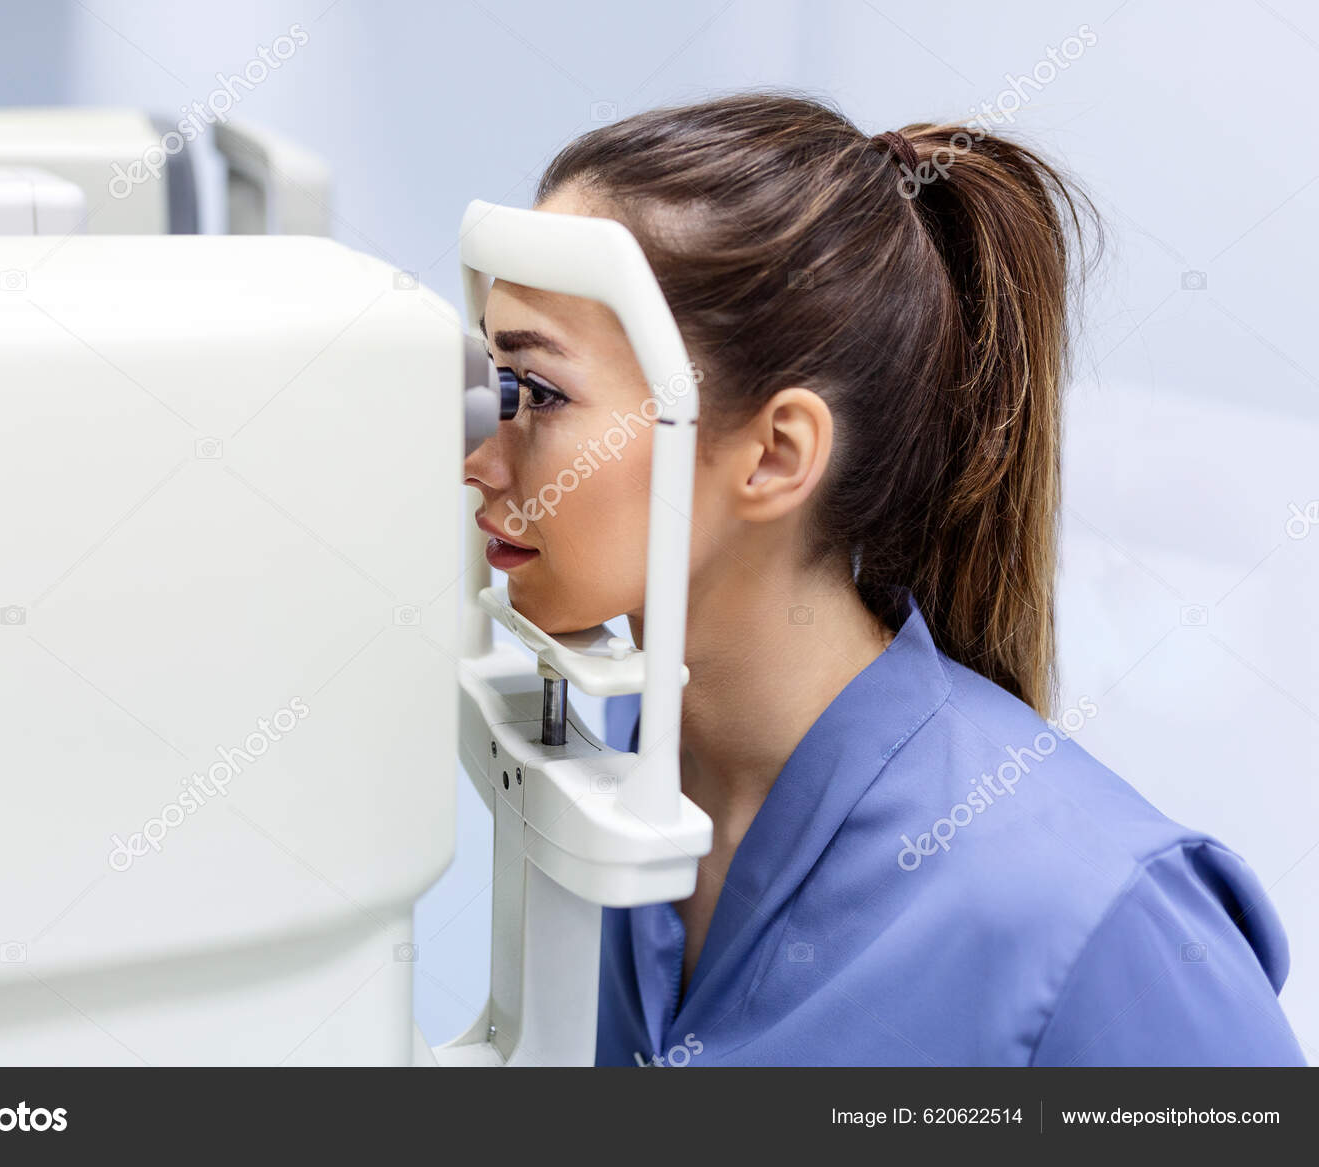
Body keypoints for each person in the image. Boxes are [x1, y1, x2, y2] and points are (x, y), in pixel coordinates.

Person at [461, 92, 1306, 1066]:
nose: (479, 460)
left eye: (538, 394)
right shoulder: (611, 785)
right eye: (493, 385)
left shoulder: (1093, 916)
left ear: (775, 455)